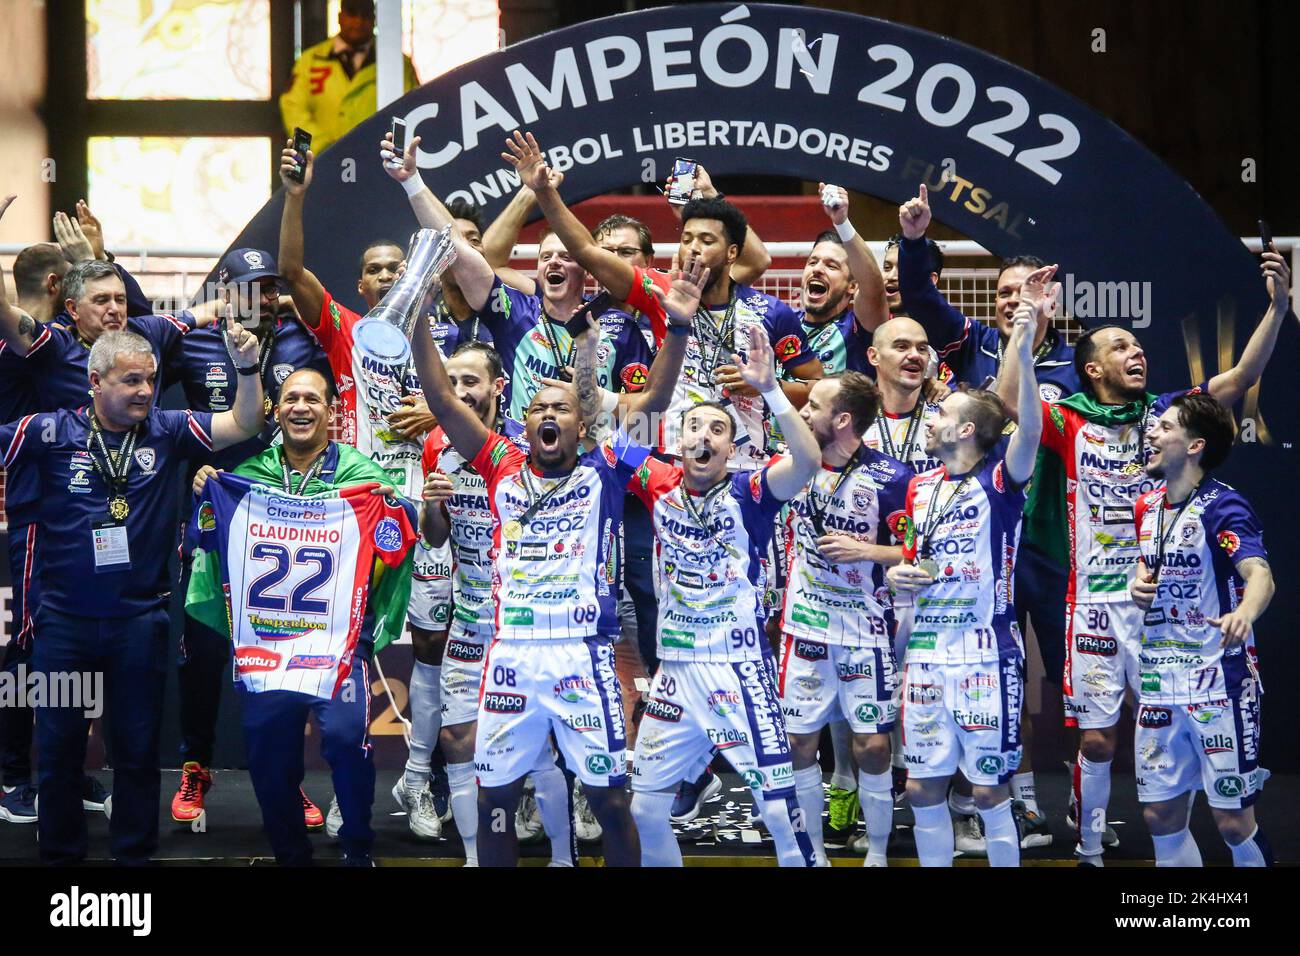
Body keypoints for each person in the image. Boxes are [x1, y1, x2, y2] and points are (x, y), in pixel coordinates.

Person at [997, 249, 1289, 864]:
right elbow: (1007, 406)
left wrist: (1280, 308)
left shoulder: (1165, 417)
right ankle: (1091, 846)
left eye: (1138, 345)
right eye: (1122, 346)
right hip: (1094, 602)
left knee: (1192, 774)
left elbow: (1235, 381)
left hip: (1167, 609)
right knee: (1100, 741)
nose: (1138, 353)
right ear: (1092, 367)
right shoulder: (1066, 417)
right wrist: (1027, 329)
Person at [0, 322, 264, 864]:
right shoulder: (48, 431)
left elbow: (244, 421)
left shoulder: (167, 429)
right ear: (95, 382)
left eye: (150, 380)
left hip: (138, 624)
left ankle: (135, 861)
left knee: (139, 752)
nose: (146, 390)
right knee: (58, 751)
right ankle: (60, 859)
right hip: (64, 625)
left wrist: (247, 368)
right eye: (131, 381)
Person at [0, 198, 212, 824]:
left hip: (126, 518)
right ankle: (19, 779)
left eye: (121, 300)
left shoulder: (141, 340)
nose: (116, 310)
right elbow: (8, 320)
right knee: (38, 642)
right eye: (102, 300)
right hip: (51, 517)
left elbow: (202, 312)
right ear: (70, 305)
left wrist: (252, 312)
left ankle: (89, 776)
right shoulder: (52, 346)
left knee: (113, 650)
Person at [277, 140, 453, 839]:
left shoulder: (445, 343)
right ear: (361, 284)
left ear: (411, 279)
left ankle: (417, 780)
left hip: (432, 510)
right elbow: (290, 270)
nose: (383, 279)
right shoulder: (347, 331)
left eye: (395, 269)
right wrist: (295, 195)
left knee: (434, 649)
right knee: (349, 657)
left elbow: (480, 414)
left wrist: (439, 410)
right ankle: (350, 787)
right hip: (354, 511)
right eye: (373, 271)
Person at [898, 185, 1076, 844]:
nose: (1012, 297)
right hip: (973, 545)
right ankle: (1018, 798)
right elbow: (918, 299)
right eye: (1004, 290)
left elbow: (1028, 430)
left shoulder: (1076, 367)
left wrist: (1030, 341)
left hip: (1046, 539)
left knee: (1058, 679)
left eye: (1027, 289)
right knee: (1000, 673)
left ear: (1051, 298)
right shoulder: (969, 343)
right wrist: (914, 243)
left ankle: (1076, 802)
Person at [187, 367, 418, 867]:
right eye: (291, 398)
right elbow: (207, 535)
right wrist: (208, 491)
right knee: (269, 759)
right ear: (276, 409)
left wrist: (396, 507)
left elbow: (396, 540)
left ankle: (358, 846)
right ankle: (291, 855)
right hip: (267, 643)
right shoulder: (246, 477)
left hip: (336, 640)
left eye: (313, 399)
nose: (301, 407)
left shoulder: (362, 475)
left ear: (331, 411)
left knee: (343, 737)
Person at [620, 324, 821, 867]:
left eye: (716, 429)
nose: (704, 437)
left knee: (779, 812)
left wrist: (772, 389)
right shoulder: (656, 479)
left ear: (731, 447)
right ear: (677, 441)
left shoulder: (751, 490)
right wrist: (594, 359)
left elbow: (806, 463)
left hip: (737, 668)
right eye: (693, 428)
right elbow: (602, 431)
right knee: (646, 807)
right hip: (676, 673)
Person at [166, 247, 334, 828]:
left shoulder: (301, 342)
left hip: (286, 523)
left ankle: (286, 780)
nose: (262, 298)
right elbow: (146, 410)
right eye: (249, 287)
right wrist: (186, 468)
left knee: (282, 653)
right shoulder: (193, 342)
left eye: (270, 288)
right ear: (224, 289)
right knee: (205, 650)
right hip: (215, 514)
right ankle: (196, 764)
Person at [884, 287, 1044, 868]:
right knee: (922, 789)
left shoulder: (1003, 480)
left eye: (944, 414)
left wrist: (1021, 348)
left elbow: (1028, 431)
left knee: (987, 790)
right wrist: (901, 575)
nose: (934, 417)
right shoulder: (919, 485)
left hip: (984, 656)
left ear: (967, 431)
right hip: (924, 654)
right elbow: (912, 556)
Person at [418, 342, 576, 866]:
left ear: (498, 387)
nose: (462, 392)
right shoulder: (436, 443)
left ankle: (561, 856)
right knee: (457, 738)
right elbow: (434, 539)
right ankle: (474, 858)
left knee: (543, 750)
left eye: (472, 381)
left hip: (529, 625)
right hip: (469, 617)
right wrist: (432, 506)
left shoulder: (523, 444)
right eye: (453, 382)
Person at [1130, 394, 1274, 867]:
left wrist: (1244, 613)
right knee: (1159, 815)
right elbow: (1146, 568)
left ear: (1194, 445)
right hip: (1157, 682)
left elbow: (1259, 574)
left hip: (1218, 683)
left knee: (1232, 822)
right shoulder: (1146, 506)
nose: (1151, 433)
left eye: (1164, 428)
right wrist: (1138, 583)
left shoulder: (1223, 505)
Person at [777, 372, 910, 866]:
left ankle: (876, 853)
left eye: (813, 405)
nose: (805, 413)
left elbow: (921, 551)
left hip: (866, 631)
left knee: (873, 747)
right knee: (796, 744)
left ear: (844, 419)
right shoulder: (793, 465)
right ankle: (812, 855)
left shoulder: (893, 479)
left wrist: (867, 550)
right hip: (805, 627)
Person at [278, 0, 418, 154]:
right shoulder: (310, 61)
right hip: (322, 163)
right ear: (340, 17)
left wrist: (392, 151)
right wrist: (321, 148)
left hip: (378, 162)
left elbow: (411, 110)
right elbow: (293, 109)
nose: (358, 21)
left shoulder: (396, 63)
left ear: (374, 19)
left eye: (365, 15)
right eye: (352, 13)